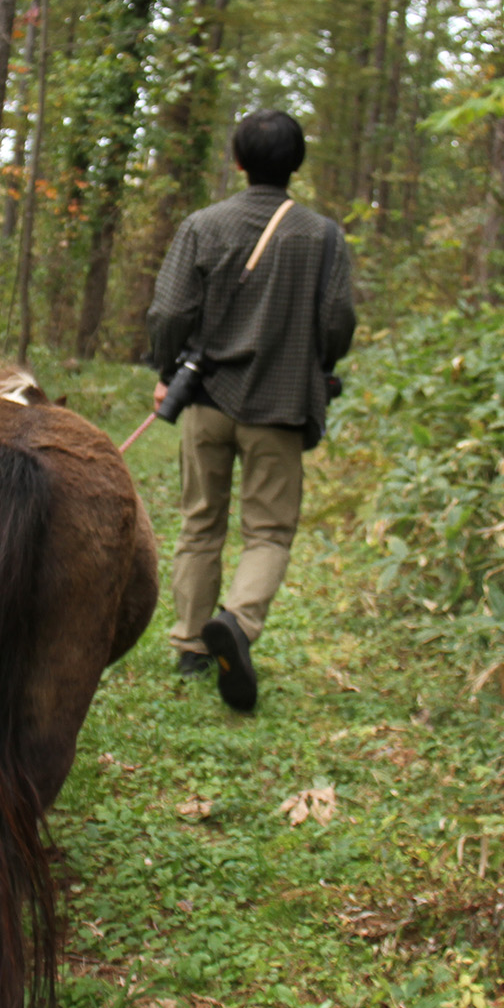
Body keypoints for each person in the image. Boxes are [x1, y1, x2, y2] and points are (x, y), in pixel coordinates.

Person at [147, 109, 356, 712]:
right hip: (282, 404)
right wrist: (320, 362)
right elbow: (338, 318)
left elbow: (168, 312)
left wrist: (168, 373)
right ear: (297, 165)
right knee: (269, 530)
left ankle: (191, 644)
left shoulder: (202, 225)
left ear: (237, 162)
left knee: (199, 521)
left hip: (207, 399)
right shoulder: (322, 236)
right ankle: (236, 622)